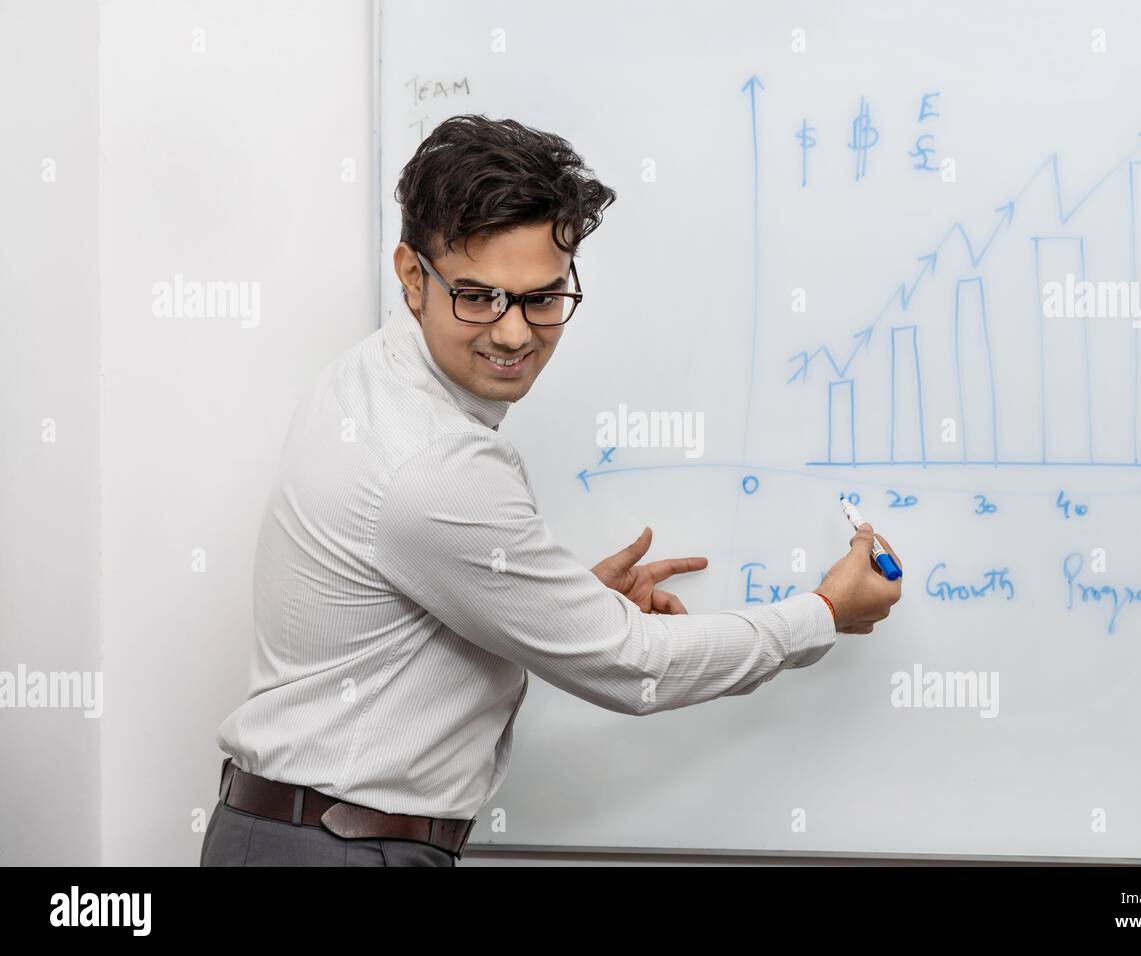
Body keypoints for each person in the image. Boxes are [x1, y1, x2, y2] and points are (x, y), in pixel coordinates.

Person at [201, 114, 903, 867]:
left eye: (543, 298)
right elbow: (636, 667)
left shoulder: (368, 378)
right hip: (337, 853)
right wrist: (823, 614)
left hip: (301, 835)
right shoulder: (435, 466)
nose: (513, 334)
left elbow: (420, 600)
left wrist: (552, 599)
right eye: (479, 296)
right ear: (413, 276)